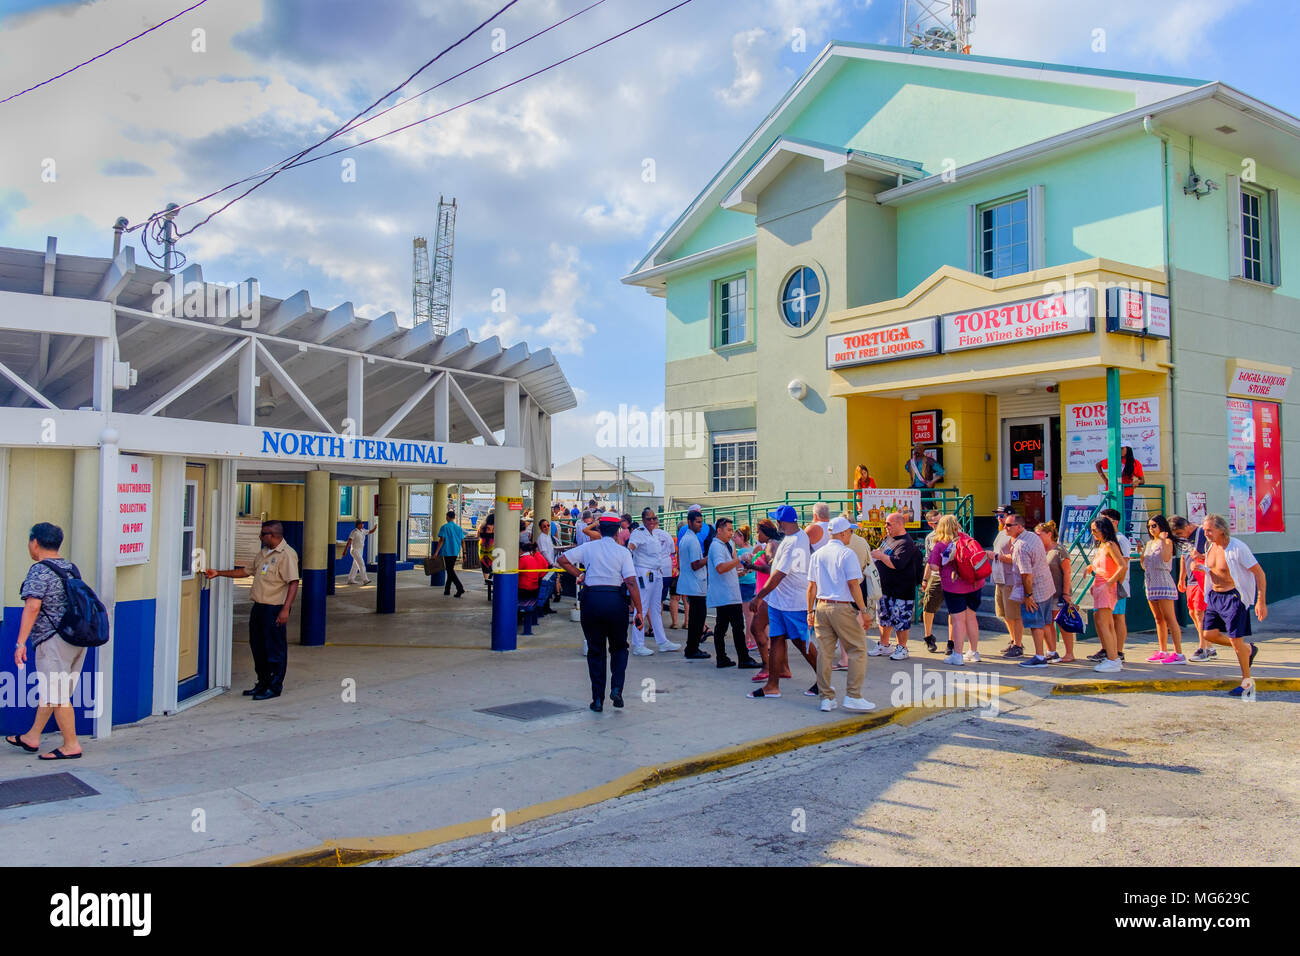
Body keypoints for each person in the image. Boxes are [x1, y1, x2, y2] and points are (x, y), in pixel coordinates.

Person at [6, 523, 89, 760]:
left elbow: (33, 606)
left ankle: (71, 745)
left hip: (53, 642)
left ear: (35, 543)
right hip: (75, 639)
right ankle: (32, 736)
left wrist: (20, 643)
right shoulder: (70, 568)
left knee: (58, 695)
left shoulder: (40, 570)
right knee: (55, 691)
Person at [557, 514, 645, 712]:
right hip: (615, 601)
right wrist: (639, 610)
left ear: (599, 529)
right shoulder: (622, 552)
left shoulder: (589, 547)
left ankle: (597, 700)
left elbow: (562, 559)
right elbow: (631, 582)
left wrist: (579, 574)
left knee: (596, 651)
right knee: (619, 647)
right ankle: (616, 688)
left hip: (592, 600)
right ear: (617, 531)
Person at [205, 520, 300, 699]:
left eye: (263, 534)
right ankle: (262, 682)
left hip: (274, 608)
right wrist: (218, 573)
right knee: (258, 647)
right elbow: (246, 571)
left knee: (274, 649)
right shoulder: (264, 553)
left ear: (272, 535)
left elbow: (293, 582)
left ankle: (274, 686)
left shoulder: (287, 555)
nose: (260, 536)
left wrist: (286, 609)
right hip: (259, 608)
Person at [748, 506, 821, 699]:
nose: (777, 524)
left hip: (793, 601)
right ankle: (772, 685)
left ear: (782, 522)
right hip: (781, 600)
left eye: (778, 521)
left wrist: (759, 596)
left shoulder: (793, 541)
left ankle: (824, 680)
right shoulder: (797, 537)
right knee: (778, 638)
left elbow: (780, 574)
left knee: (801, 642)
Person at [805, 516, 876, 713]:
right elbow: (853, 584)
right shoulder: (847, 554)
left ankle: (826, 698)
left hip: (821, 606)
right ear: (844, 533)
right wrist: (864, 611)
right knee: (857, 649)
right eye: (850, 532)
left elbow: (811, 587)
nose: (851, 535)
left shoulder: (817, 554)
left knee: (825, 653)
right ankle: (853, 695)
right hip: (842, 606)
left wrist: (809, 611)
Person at [1195, 513, 1267, 696]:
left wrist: (1260, 601)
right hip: (1214, 596)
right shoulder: (1210, 546)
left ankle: (1246, 683)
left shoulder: (1238, 548)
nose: (1206, 533)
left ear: (1221, 530)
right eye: (1204, 530)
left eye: (1209, 530)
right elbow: (1213, 569)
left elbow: (1259, 573)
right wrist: (1199, 566)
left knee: (1236, 640)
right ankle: (1248, 649)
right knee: (1208, 634)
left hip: (1234, 597)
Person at [1004, 513, 1057, 667]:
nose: (1005, 528)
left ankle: (1040, 657)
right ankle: (1052, 653)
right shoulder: (1032, 536)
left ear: (1019, 527)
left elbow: (1026, 575)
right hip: (1046, 585)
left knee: (1036, 624)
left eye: (1009, 525)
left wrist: (1028, 596)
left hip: (1036, 590)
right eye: (1005, 524)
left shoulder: (1021, 546)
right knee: (1046, 622)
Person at [707, 518, 761, 669]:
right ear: (719, 530)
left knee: (722, 626)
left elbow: (726, 569)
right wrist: (739, 560)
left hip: (727, 592)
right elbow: (720, 568)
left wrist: (741, 572)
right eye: (729, 530)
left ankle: (722, 657)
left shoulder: (724, 545)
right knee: (736, 627)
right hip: (727, 594)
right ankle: (743, 658)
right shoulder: (717, 547)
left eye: (732, 530)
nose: (731, 533)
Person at [928, 515, 981, 665]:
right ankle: (974, 651)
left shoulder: (940, 544)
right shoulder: (967, 539)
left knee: (958, 620)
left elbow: (934, 567)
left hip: (954, 586)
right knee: (971, 617)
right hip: (974, 584)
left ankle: (957, 655)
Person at [871, 511, 922, 661]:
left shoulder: (905, 543)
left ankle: (902, 647)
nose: (886, 526)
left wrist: (880, 556)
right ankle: (884, 645)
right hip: (886, 588)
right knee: (883, 617)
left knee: (901, 621)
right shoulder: (888, 538)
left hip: (901, 590)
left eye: (889, 524)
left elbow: (897, 563)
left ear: (900, 524)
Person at [627, 509, 679, 655]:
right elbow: (630, 548)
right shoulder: (638, 533)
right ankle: (638, 644)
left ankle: (662, 641)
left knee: (655, 608)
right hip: (644, 573)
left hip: (656, 573)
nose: (652, 521)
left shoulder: (655, 534)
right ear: (643, 520)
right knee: (641, 606)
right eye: (649, 519)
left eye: (654, 518)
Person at [1088, 507, 1131, 662]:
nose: (1093, 533)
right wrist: (1092, 568)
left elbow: (1123, 565)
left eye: (1095, 530)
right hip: (1100, 585)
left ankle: (1113, 657)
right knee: (1104, 622)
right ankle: (1112, 656)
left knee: (1106, 623)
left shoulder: (1111, 544)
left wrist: (1110, 582)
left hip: (1107, 587)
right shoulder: (1102, 545)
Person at [1142, 515, 1186, 663]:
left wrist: (1162, 540)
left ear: (1161, 526)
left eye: (1154, 525)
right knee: (1158, 618)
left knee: (1170, 618)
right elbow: (1144, 565)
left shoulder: (1167, 541)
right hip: (1150, 583)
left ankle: (1178, 653)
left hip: (1163, 582)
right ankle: (1163, 650)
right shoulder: (1149, 543)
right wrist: (1141, 552)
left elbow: (1167, 558)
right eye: (1149, 526)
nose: (1151, 529)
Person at [1170, 515, 1213, 660]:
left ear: (1187, 526)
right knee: (1192, 612)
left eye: (1181, 533)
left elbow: (1213, 553)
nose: (1181, 537)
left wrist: (1200, 556)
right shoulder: (1184, 539)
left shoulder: (1202, 533)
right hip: (1191, 578)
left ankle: (1203, 648)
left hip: (1202, 576)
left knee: (1200, 612)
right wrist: (1182, 577)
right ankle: (1209, 644)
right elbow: (1183, 557)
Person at [1036, 521, 1076, 663]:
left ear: (1049, 534)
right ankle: (1051, 651)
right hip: (1044, 592)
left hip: (1058, 593)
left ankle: (1069, 653)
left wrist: (1066, 593)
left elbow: (1067, 572)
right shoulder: (1040, 550)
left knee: (1062, 623)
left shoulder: (1059, 551)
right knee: (1047, 623)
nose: (1037, 537)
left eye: (1039, 534)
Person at [675, 511, 711, 660]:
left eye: (701, 522)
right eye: (697, 522)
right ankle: (692, 648)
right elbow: (696, 564)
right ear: (689, 522)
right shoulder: (692, 540)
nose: (700, 525)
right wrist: (709, 558)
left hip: (692, 583)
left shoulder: (687, 538)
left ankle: (692, 647)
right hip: (695, 583)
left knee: (696, 616)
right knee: (698, 617)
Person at [990, 504, 1024, 658]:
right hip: (999, 578)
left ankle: (1018, 644)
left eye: (1002, 515)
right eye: (997, 515)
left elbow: (1016, 557)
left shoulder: (1014, 534)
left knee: (1014, 614)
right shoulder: (1001, 532)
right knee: (1004, 613)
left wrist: (997, 557)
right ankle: (1013, 640)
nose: (999, 518)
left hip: (1011, 578)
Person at [1096, 445, 1145, 536]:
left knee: (1125, 520)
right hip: (1112, 495)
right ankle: (1112, 539)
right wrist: (1105, 479)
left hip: (1127, 495)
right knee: (1111, 520)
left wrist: (1137, 481)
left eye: (1122, 448)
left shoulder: (1135, 463)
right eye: (1118, 448)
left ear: (1128, 449)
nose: (1120, 450)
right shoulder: (1112, 460)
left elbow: (1143, 480)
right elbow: (1098, 465)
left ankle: (1124, 540)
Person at [919, 510, 945, 653]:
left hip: (952, 576)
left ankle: (952, 642)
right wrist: (925, 579)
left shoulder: (953, 534)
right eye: (937, 522)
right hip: (936, 575)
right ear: (931, 524)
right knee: (928, 606)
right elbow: (929, 560)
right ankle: (928, 636)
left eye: (942, 520)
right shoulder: (930, 538)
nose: (941, 524)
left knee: (955, 611)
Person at [432, 510, 466, 598]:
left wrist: (436, 553)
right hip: (455, 551)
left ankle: (460, 588)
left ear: (447, 517)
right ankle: (447, 589)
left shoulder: (444, 527)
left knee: (449, 570)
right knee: (450, 569)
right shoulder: (459, 528)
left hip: (447, 552)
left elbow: (441, 540)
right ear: (454, 517)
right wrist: (464, 553)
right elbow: (463, 542)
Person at [342, 519, 376, 585]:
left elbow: (371, 531)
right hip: (355, 550)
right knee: (361, 563)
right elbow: (349, 541)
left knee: (355, 565)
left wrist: (375, 527)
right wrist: (345, 550)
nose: (362, 525)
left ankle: (351, 579)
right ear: (358, 525)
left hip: (360, 550)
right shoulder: (354, 532)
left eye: (363, 523)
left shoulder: (363, 531)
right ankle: (365, 579)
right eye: (361, 524)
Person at [478, 512, 496, 596]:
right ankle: (492, 579)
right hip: (492, 546)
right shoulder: (495, 527)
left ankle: (486, 580)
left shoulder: (482, 526)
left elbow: (478, 534)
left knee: (484, 562)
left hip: (482, 546)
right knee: (492, 563)